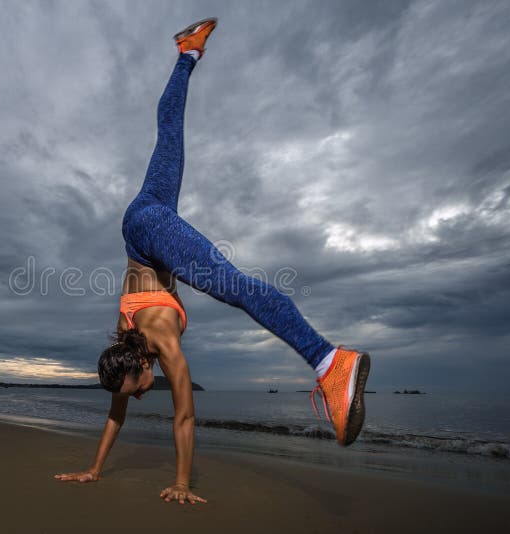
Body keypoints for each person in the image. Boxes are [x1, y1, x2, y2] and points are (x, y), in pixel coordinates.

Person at [54, 17, 371, 505]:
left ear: (138, 363)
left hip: (146, 231)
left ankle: (330, 362)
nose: (139, 394)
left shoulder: (157, 342)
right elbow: (115, 415)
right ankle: (188, 51)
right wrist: (93, 470)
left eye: (137, 387)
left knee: (235, 286)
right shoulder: (126, 351)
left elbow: (184, 416)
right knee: (169, 132)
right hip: (145, 217)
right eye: (135, 392)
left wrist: (181, 483)